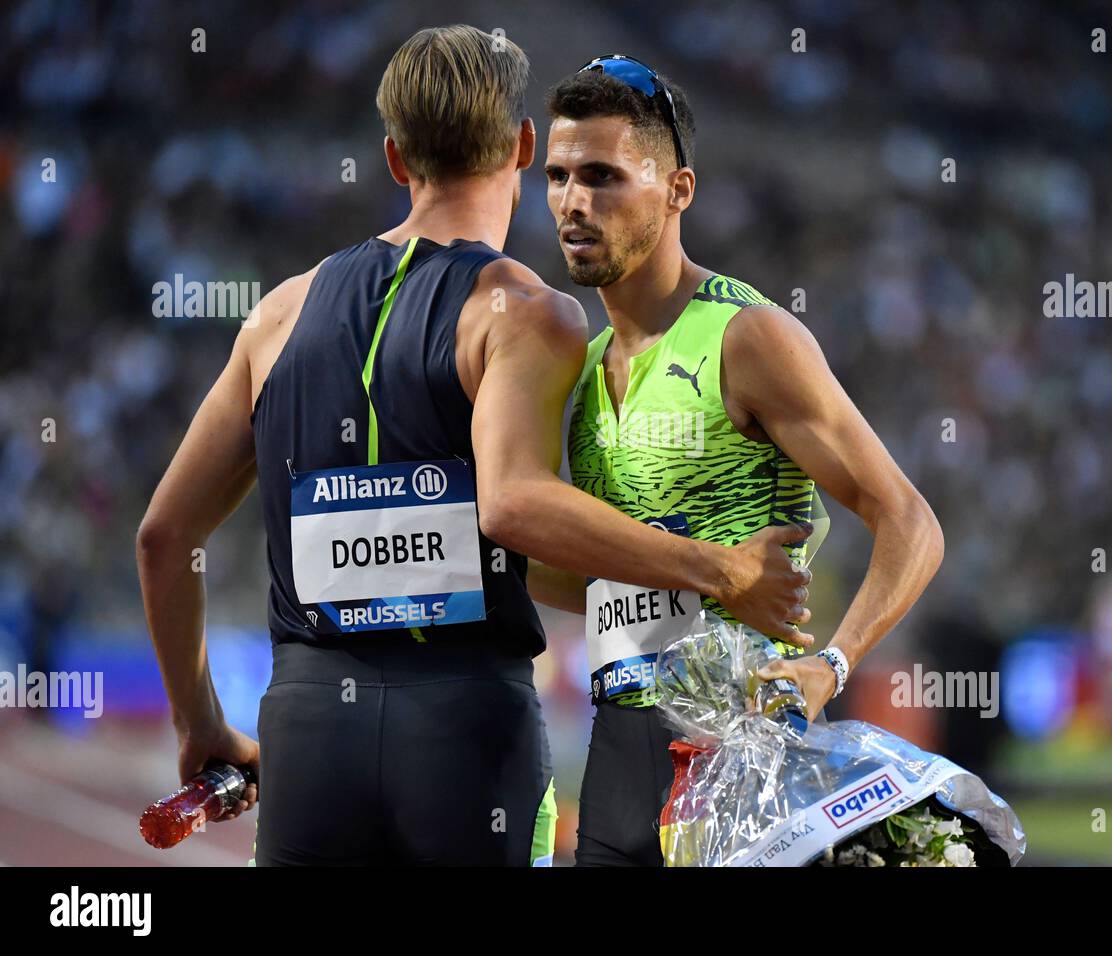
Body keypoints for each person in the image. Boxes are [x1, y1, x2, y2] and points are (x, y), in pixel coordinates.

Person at [135, 27, 811, 867]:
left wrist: (198, 721)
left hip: (308, 723)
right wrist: (718, 569)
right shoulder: (527, 314)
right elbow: (514, 506)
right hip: (465, 729)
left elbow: (164, 539)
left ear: (391, 156)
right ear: (526, 145)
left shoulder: (275, 316)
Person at [534, 55, 946, 866]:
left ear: (678, 190)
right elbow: (596, 576)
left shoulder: (747, 338)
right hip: (619, 756)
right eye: (556, 176)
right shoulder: (578, 373)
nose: (573, 203)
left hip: (746, 756)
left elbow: (911, 520)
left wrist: (831, 664)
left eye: (603, 176)